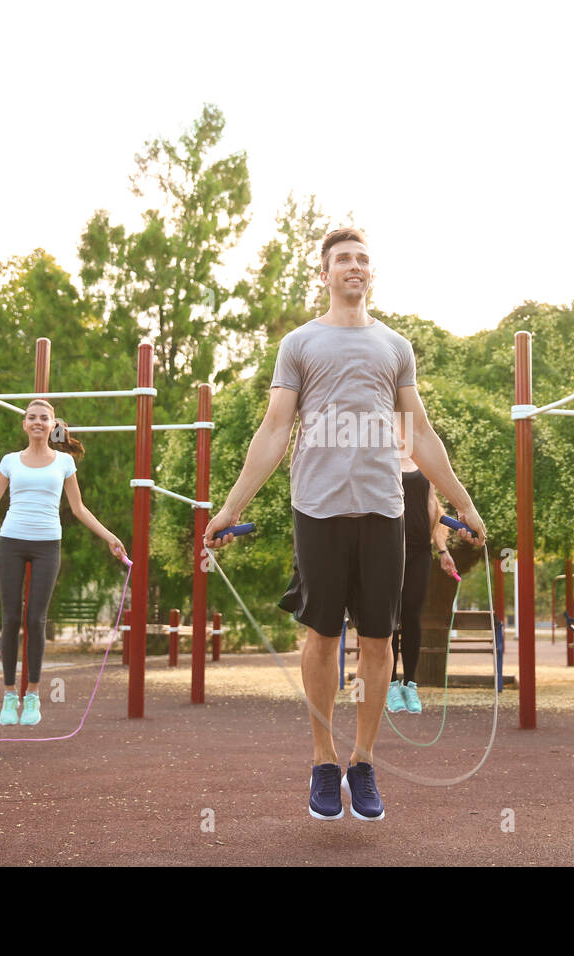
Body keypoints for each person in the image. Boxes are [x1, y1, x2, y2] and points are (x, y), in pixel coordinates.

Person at [205, 227, 485, 822]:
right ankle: (323, 762)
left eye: (362, 260)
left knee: (380, 640)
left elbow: (421, 434)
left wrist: (462, 501)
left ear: (371, 273)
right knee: (323, 638)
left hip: (385, 510)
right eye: (343, 260)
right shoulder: (299, 344)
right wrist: (230, 507)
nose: (354, 267)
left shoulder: (395, 347)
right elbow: (275, 429)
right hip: (318, 509)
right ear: (325, 274)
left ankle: (364, 761)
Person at [0, 399, 125, 726]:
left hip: (48, 545)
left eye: (43, 418)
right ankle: (8, 696)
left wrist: (110, 537)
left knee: (36, 620)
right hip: (11, 543)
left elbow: (79, 509)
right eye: (31, 417)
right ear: (24, 423)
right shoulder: (9, 462)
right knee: (10, 617)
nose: (37, 422)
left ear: (53, 424)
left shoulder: (63, 463)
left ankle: (32, 697)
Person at [388, 454, 458, 716]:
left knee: (412, 616)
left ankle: (410, 684)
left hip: (419, 552)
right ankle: (392, 684)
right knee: (391, 619)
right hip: (389, 550)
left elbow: (434, 509)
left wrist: (442, 551)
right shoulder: (384, 460)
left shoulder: (424, 465)